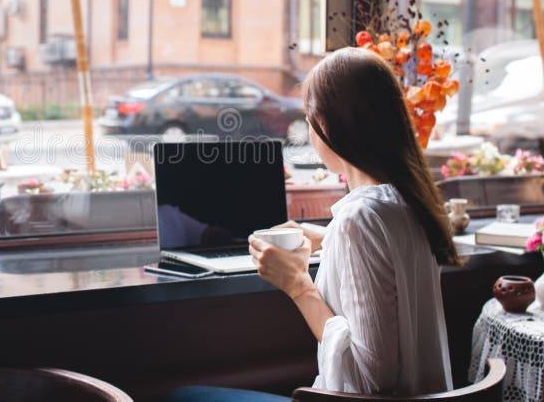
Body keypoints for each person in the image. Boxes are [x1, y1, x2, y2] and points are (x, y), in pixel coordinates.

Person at [166, 47, 458, 401]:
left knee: (185, 396)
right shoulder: (408, 201)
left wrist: (297, 284)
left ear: (326, 122)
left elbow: (371, 383)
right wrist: (329, 237)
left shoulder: (359, 218)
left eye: (308, 117)